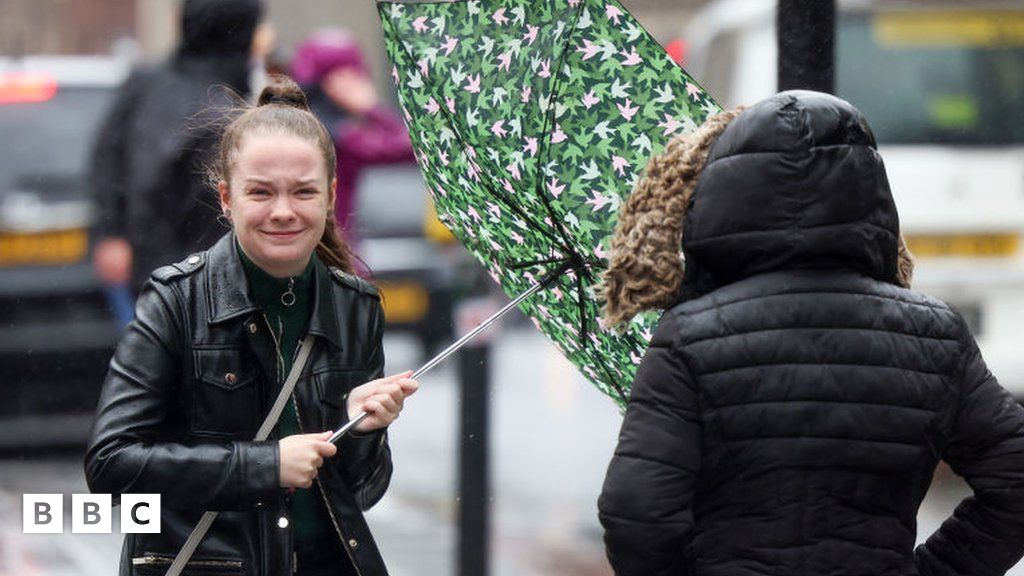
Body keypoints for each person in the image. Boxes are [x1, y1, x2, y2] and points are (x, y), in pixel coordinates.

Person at [597, 91, 1024, 575]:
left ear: (724, 200)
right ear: (871, 196)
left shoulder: (687, 338)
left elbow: (635, 511)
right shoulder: (936, 335)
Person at [85, 76, 419, 576]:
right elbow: (112, 464)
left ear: (330, 196)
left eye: (303, 192)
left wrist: (362, 431)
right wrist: (265, 466)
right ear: (226, 198)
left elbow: (364, 493)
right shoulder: (177, 299)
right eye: (260, 192)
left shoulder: (356, 306)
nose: (282, 211)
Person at [90, 0, 265, 293]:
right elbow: (123, 166)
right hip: (187, 261)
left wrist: (113, 232)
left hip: (176, 264)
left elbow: (111, 159)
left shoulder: (156, 85)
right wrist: (113, 232)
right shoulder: (221, 96)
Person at [289, 28, 415, 248]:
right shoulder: (330, 133)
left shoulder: (302, 123)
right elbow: (411, 148)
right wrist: (372, 108)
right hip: (327, 252)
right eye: (345, 76)